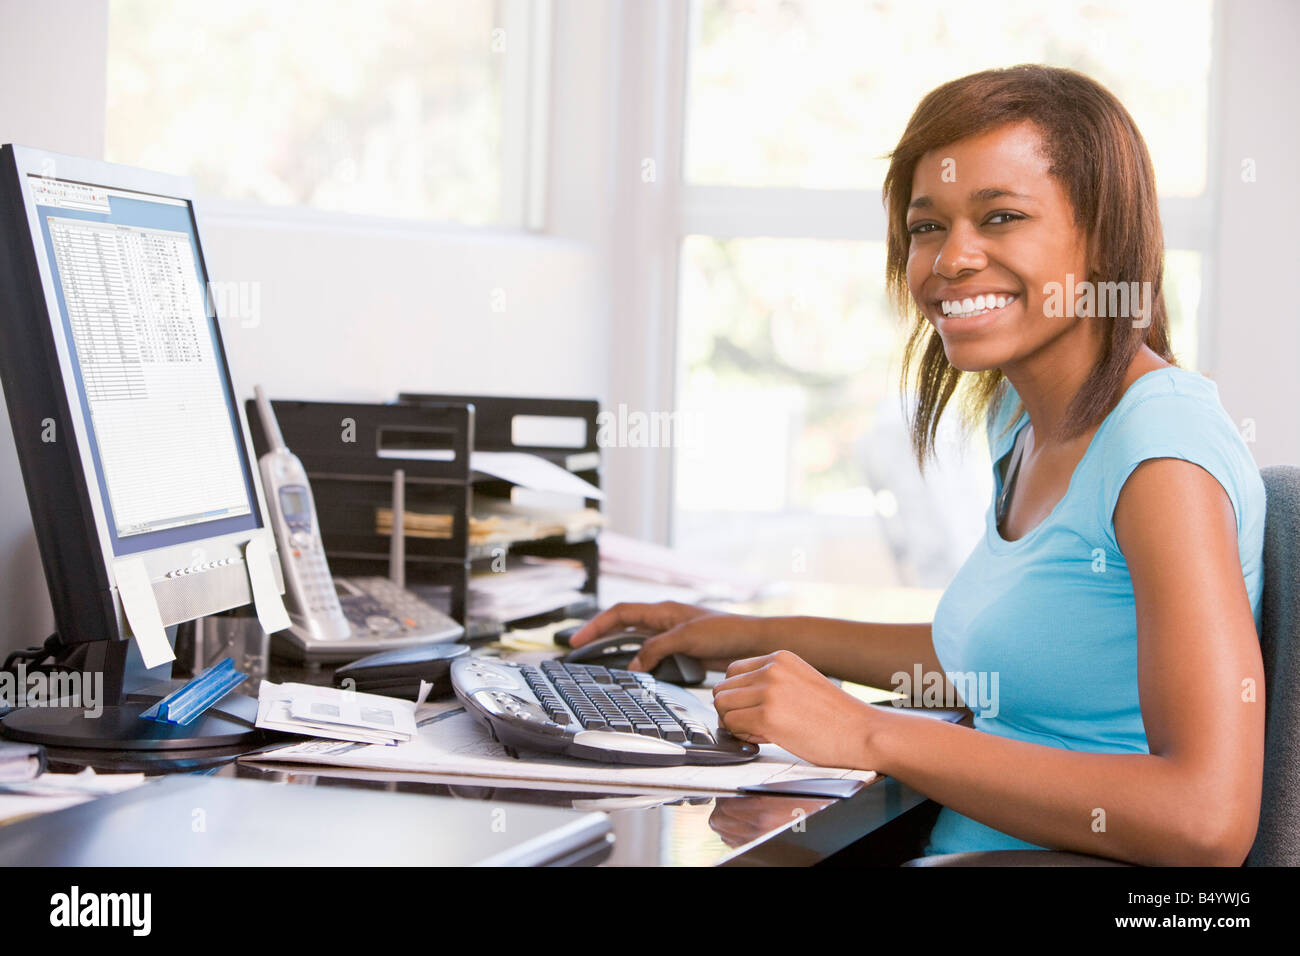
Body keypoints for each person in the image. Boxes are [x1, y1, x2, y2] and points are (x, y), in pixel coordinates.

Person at [570, 64, 1266, 866]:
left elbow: (1206, 821)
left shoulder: (1160, 454)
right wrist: (741, 633)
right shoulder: (1027, 418)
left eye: (1000, 217)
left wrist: (866, 729)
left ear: (1103, 238)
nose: (950, 260)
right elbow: (1010, 660)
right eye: (927, 227)